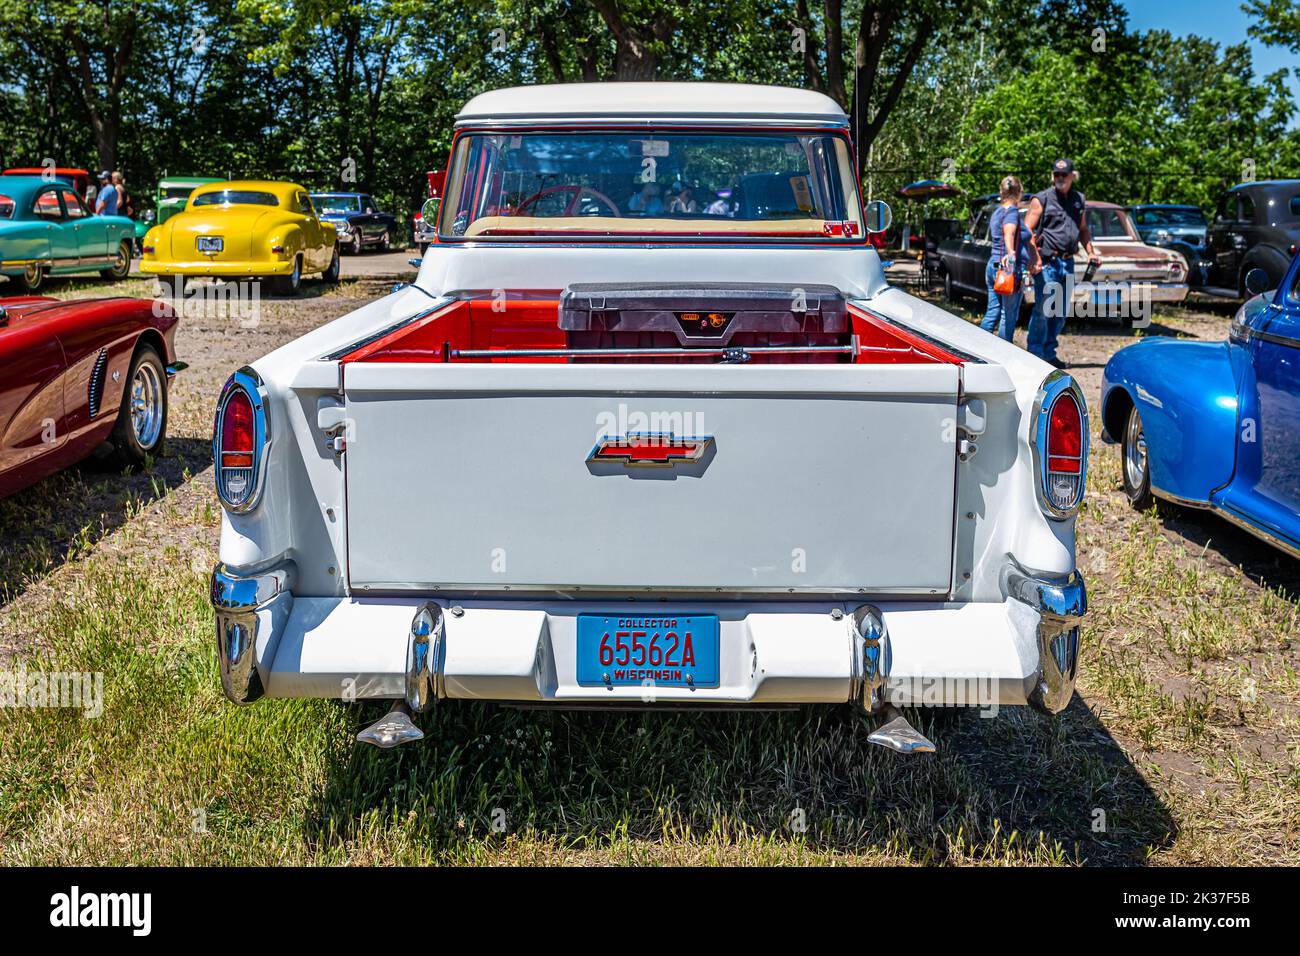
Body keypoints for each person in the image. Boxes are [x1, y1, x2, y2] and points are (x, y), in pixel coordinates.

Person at [1023, 158, 1100, 368]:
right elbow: (1026, 230)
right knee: (1043, 309)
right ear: (1052, 176)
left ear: (1072, 176)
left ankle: (1049, 353)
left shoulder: (1078, 200)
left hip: (1068, 263)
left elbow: (1083, 229)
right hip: (1047, 262)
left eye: (1064, 175)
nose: (1060, 179)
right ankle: (1035, 355)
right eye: (1056, 175)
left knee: (1061, 311)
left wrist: (1091, 252)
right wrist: (1034, 258)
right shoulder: (1041, 199)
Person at [980, 176, 1038, 342]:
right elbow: (1009, 232)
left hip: (993, 266)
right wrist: (1011, 253)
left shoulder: (997, 211)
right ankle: (1003, 355)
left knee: (993, 311)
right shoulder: (1012, 212)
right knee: (1008, 315)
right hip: (1008, 270)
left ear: (1001, 192)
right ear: (1020, 193)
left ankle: (979, 348)